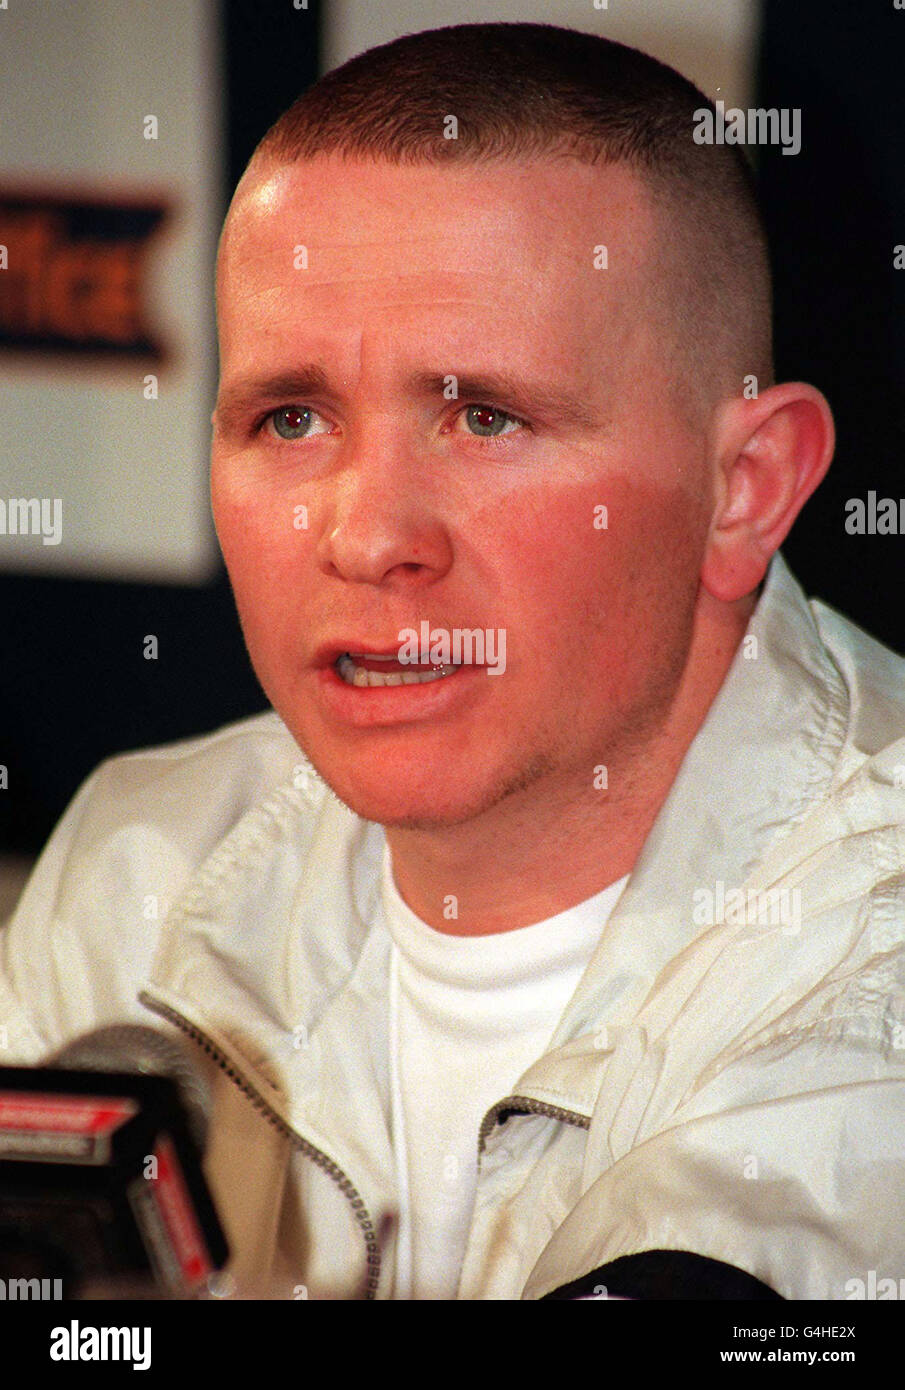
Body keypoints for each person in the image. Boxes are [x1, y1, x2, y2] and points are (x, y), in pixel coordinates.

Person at [2, 21, 905, 1301]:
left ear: (741, 490)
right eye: (291, 417)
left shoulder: (873, 957)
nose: (367, 536)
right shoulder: (143, 865)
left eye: (484, 417)